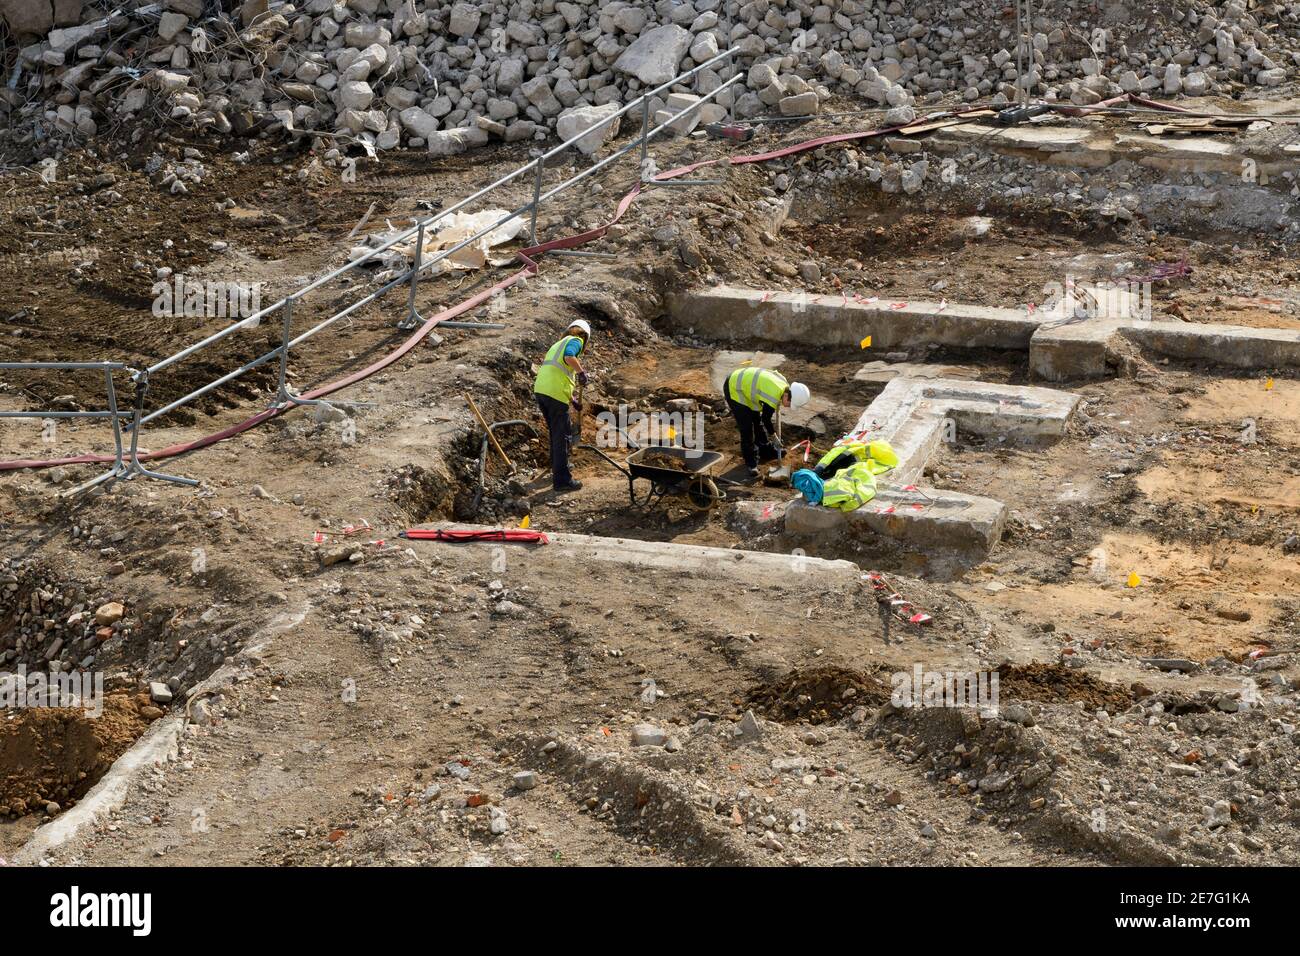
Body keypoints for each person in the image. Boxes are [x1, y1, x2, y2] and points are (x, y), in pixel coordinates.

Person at [533, 319, 590, 493]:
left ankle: (558, 467)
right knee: (562, 437)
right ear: (584, 335)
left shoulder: (557, 344)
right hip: (554, 394)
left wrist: (571, 399)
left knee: (555, 434)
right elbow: (569, 357)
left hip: (541, 391)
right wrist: (581, 372)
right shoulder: (576, 340)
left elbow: (557, 372)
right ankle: (562, 480)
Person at [722, 366, 810, 477]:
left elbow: (762, 419)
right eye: (790, 404)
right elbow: (766, 419)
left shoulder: (784, 384)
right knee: (747, 427)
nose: (788, 407)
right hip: (734, 387)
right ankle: (751, 462)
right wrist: (774, 437)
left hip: (747, 388)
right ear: (787, 395)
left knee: (756, 420)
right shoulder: (773, 395)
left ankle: (765, 450)